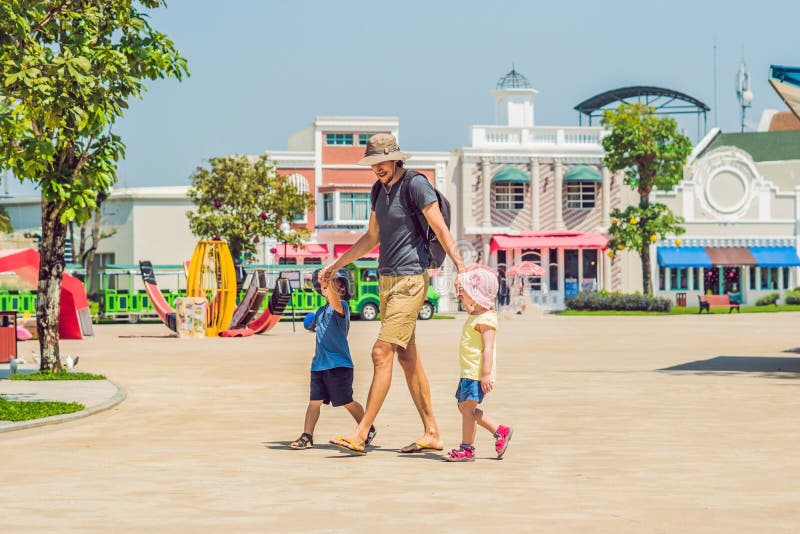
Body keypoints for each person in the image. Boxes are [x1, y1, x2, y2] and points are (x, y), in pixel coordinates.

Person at [322, 133, 466, 455]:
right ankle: (432, 433)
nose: (376, 169)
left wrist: (461, 267)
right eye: (372, 164)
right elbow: (371, 237)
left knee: (380, 352)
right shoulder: (378, 190)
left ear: (395, 159)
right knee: (407, 358)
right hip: (386, 281)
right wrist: (335, 265)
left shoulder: (416, 185)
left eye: (381, 163)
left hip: (411, 280)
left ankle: (360, 434)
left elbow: (440, 228)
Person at [288, 269, 376, 450]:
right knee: (314, 402)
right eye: (336, 284)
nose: (340, 288)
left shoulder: (342, 306)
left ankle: (367, 427)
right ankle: (307, 436)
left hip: (339, 365)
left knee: (346, 400)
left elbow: (334, 300)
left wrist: (327, 284)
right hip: (319, 365)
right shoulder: (320, 311)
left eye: (342, 285)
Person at [444, 265, 513, 462]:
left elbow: (488, 348)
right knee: (465, 408)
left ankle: (467, 448)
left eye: (463, 292)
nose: (459, 295)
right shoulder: (475, 314)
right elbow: (469, 304)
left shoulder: (486, 319)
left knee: (467, 410)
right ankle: (500, 430)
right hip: (467, 372)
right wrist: (461, 285)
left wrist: (486, 374)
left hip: (476, 374)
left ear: (476, 295)